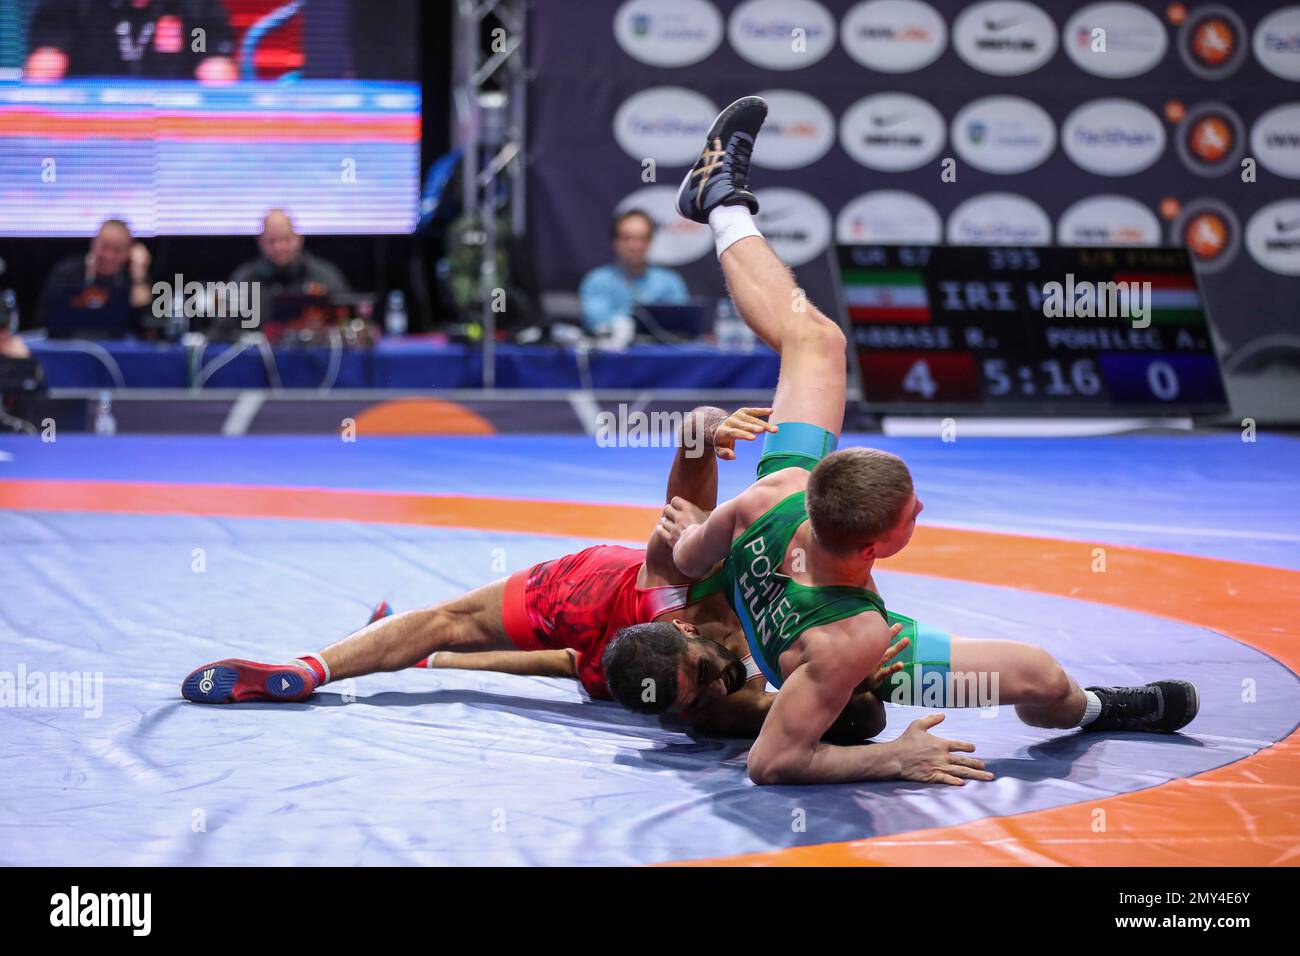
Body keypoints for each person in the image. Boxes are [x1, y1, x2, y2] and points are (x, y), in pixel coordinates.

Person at [628, 96, 1199, 786]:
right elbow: (771, 763)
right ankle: (1093, 707)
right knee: (1043, 679)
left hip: (791, 581)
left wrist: (684, 531)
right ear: (875, 548)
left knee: (816, 340)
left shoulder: (773, 493)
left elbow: (689, 558)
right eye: (911, 514)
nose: (921, 511)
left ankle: (719, 202)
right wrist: (895, 757)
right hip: (835, 645)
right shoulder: (860, 642)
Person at [180, 404, 906, 743]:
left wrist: (700, 429)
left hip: (603, 640)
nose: (710, 700)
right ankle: (307, 670)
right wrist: (703, 428)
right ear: (684, 630)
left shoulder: (696, 689)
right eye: (705, 685)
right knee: (468, 624)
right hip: (589, 594)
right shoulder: (680, 592)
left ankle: (399, 654)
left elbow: (844, 724)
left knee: (549, 661)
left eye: (692, 699)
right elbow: (851, 721)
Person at [24, 0, 236, 82]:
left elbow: (211, 65)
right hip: (89, 137)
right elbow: (48, 63)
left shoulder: (194, 10)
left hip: (171, 142)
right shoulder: (74, 6)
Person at [226, 209, 351, 333]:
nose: (279, 247)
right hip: (255, 353)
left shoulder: (326, 277)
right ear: (260, 242)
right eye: (272, 241)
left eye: (286, 239)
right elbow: (220, 333)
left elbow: (346, 323)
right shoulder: (241, 280)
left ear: (299, 239)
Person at [578, 209, 688, 336]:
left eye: (643, 238)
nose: (635, 245)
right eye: (627, 238)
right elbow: (596, 322)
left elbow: (681, 323)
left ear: (651, 242)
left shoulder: (669, 281)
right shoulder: (597, 281)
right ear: (615, 242)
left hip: (660, 352)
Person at [35, 218, 152, 333]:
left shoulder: (134, 277)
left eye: (117, 250)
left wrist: (139, 277)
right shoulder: (66, 273)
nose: (109, 256)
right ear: (93, 243)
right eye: (104, 247)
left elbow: (149, 327)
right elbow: (42, 319)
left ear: (129, 251)